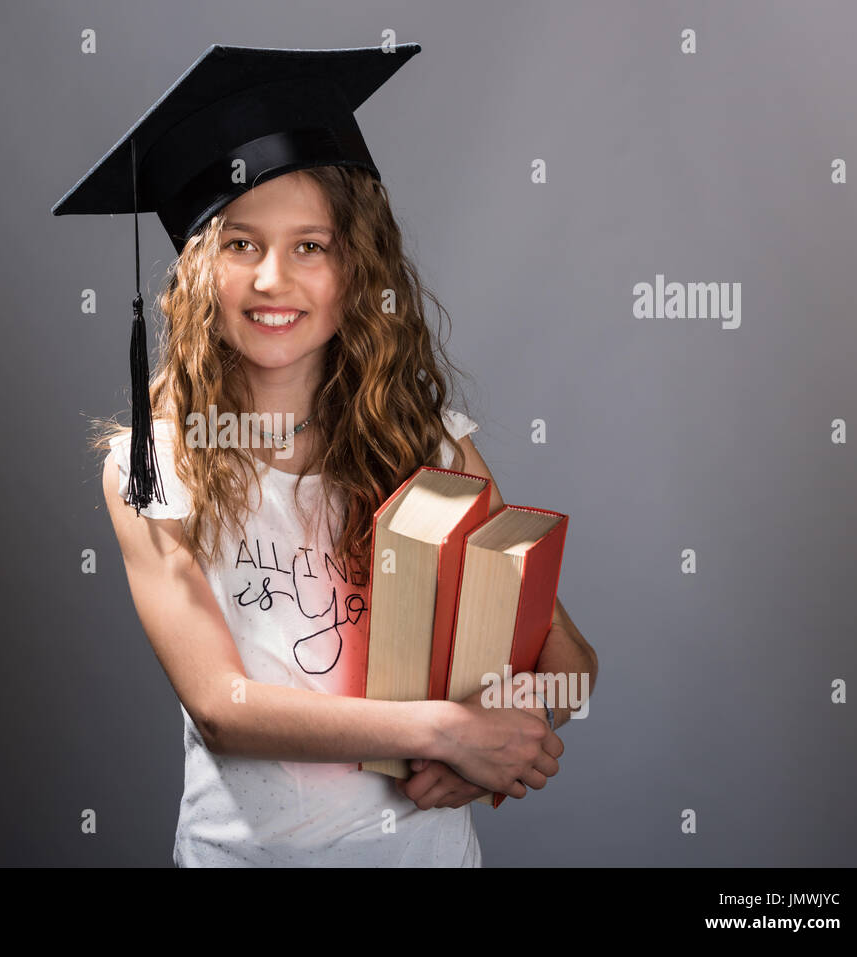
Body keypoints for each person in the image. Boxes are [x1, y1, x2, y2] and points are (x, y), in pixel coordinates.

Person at [55, 44, 599, 866]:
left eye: (311, 245)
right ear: (197, 268)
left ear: (355, 265)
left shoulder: (425, 440)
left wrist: (514, 731)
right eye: (240, 244)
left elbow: (568, 658)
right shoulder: (155, 466)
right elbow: (223, 708)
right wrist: (446, 729)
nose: (275, 278)